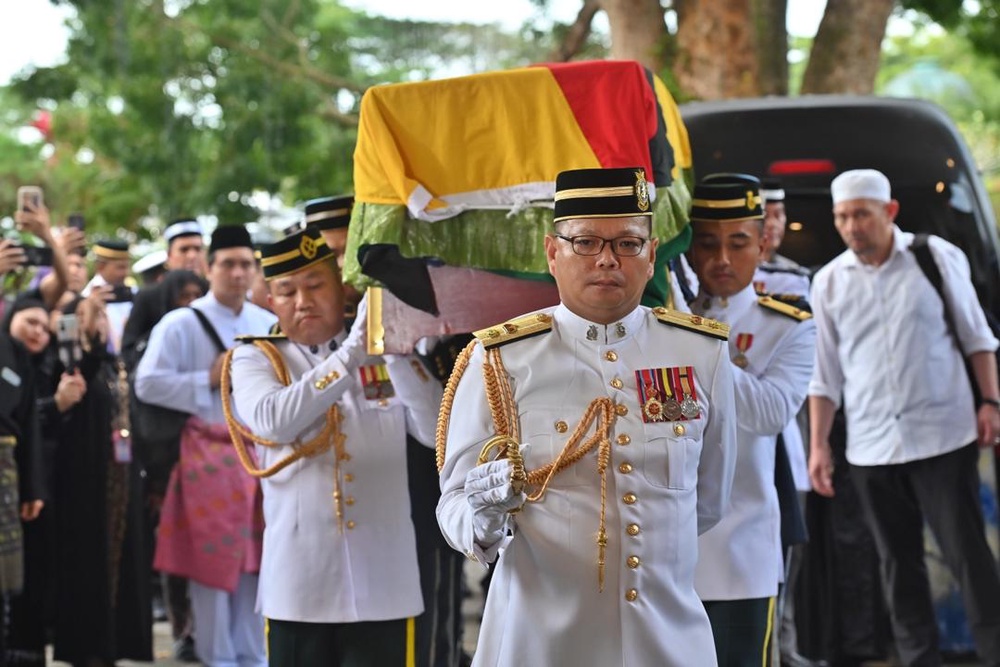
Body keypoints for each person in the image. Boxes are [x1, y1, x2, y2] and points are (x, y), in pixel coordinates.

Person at [436, 166, 737, 666]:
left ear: (651, 254)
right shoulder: (502, 360)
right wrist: (485, 519)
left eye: (626, 244)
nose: (606, 259)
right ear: (553, 253)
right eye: (586, 243)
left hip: (666, 639)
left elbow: (709, 500)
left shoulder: (700, 353)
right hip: (542, 643)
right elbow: (453, 505)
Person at [808, 168, 1000, 666]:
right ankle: (919, 660)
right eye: (843, 217)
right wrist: (819, 446)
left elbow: (977, 336)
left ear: (889, 212)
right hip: (872, 446)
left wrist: (990, 402)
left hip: (943, 435)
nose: (852, 227)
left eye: (862, 215)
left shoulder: (934, 258)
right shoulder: (829, 282)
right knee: (898, 565)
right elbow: (824, 377)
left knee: (968, 557)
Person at [227, 227, 443, 666]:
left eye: (314, 285)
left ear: (339, 287)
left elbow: (434, 430)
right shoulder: (258, 358)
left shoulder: (380, 350)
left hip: (385, 580)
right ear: (270, 302)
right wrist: (351, 354)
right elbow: (274, 421)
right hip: (300, 585)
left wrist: (396, 352)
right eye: (286, 292)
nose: (302, 301)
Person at [683, 174, 816, 665]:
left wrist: (696, 343)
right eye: (708, 244)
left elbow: (769, 412)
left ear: (762, 245)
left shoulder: (787, 324)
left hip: (743, 547)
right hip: (669, 548)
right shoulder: (660, 318)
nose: (721, 259)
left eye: (738, 244)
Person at [135, 224, 275, 667]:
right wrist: (206, 380)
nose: (238, 273)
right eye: (229, 264)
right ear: (209, 267)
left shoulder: (264, 322)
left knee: (257, 562)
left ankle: (253, 656)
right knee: (211, 568)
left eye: (246, 264)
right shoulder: (180, 322)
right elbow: (147, 383)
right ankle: (217, 656)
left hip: (257, 453)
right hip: (206, 456)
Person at [50, 290, 153, 667]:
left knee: (123, 556)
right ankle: (90, 647)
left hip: (121, 475)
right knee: (90, 558)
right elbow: (81, 372)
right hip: (83, 479)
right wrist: (86, 326)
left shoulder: (116, 363)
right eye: (83, 315)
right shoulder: (65, 364)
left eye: (99, 315)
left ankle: (120, 641)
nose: (95, 320)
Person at [752, 178, 810, 298]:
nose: (772, 224)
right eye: (765, 216)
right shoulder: (737, 269)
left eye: (778, 215)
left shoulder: (793, 272)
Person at [82, 239, 133, 354]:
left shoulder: (131, 292)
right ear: (100, 267)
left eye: (126, 267)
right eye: (120, 268)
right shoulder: (86, 297)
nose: (125, 273)